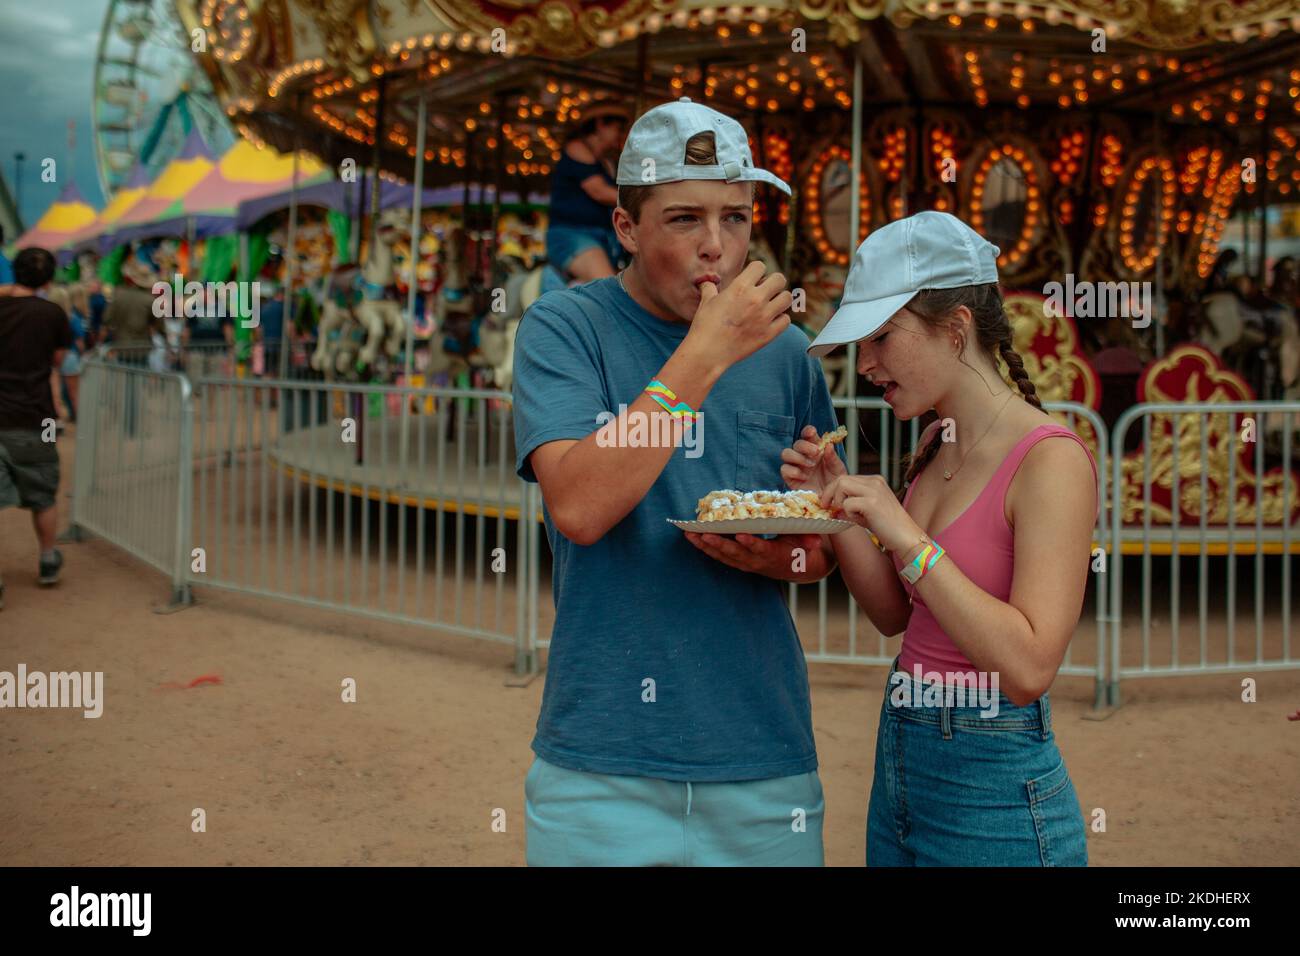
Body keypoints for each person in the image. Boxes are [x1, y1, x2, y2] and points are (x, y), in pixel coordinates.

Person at [513, 98, 842, 866]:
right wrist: (706, 353)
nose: (717, 248)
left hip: (763, 759)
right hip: (599, 764)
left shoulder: (787, 352)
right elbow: (581, 507)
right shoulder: (564, 328)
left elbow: (819, 550)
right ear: (627, 229)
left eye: (736, 216)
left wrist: (781, 558)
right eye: (685, 219)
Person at [785, 211, 1097, 866]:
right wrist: (837, 508)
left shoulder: (1051, 460)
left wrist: (906, 538)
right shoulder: (935, 441)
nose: (864, 363)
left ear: (956, 330)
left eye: (882, 338)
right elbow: (897, 616)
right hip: (903, 748)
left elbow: (1029, 668)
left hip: (994, 778)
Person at [0, 247, 73, 607]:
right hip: (40, 417)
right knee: (44, 489)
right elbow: (57, 360)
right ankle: (47, 559)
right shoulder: (53, 314)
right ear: (48, 279)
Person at [543, 102, 628, 284]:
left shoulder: (607, 162)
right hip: (573, 234)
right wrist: (636, 200)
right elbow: (598, 191)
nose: (620, 134)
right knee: (608, 286)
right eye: (616, 128)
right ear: (600, 125)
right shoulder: (577, 147)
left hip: (604, 238)